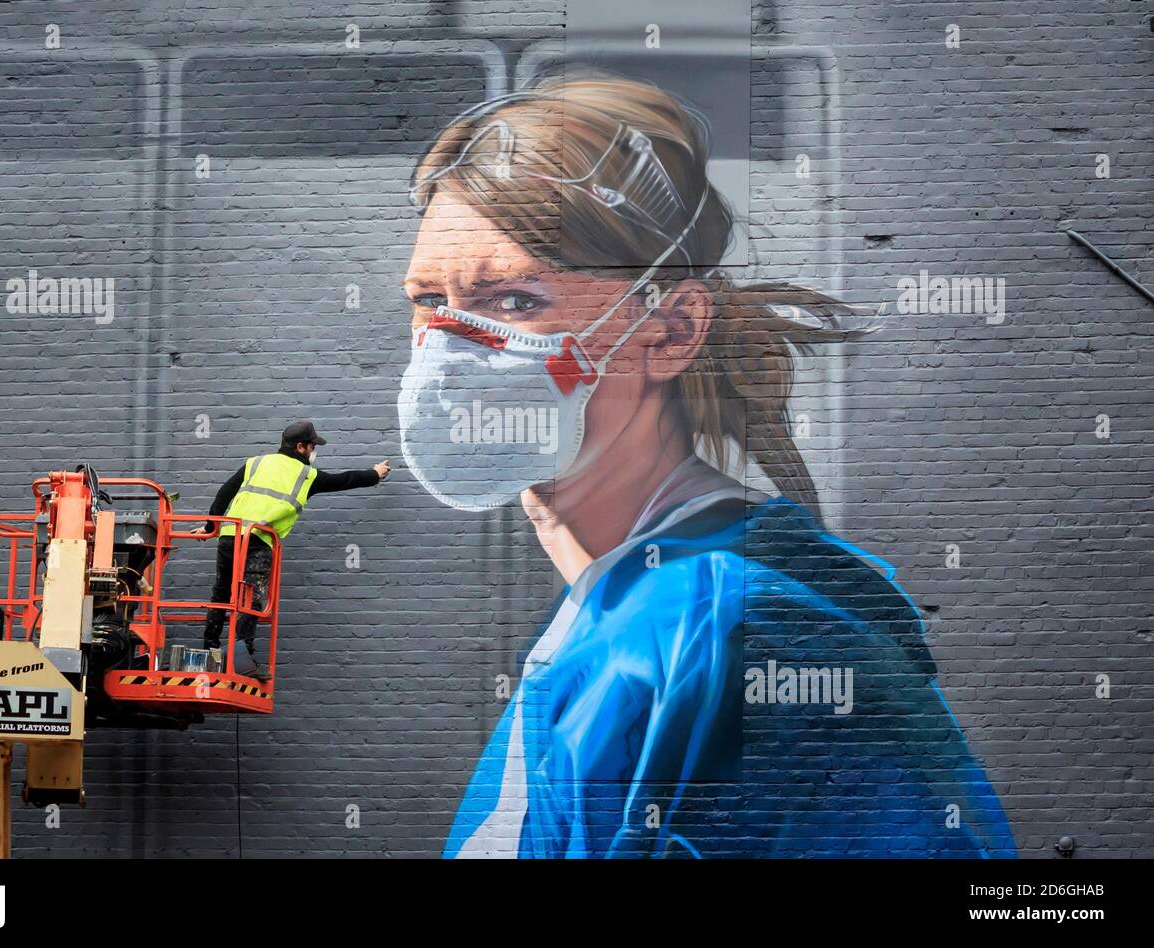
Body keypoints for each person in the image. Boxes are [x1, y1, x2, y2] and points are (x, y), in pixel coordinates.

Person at [398, 74, 1016, 857]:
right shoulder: (638, 602)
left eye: (516, 301)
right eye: (428, 301)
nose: (451, 349)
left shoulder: (716, 627)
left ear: (671, 329)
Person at [202, 420, 391, 679]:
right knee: (251, 598)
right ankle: (241, 659)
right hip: (257, 541)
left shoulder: (256, 462)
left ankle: (208, 651)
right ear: (300, 447)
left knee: (221, 594)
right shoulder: (305, 475)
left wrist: (210, 526)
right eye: (313, 446)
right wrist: (375, 474)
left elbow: (223, 495)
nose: (314, 451)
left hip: (229, 536)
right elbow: (343, 480)